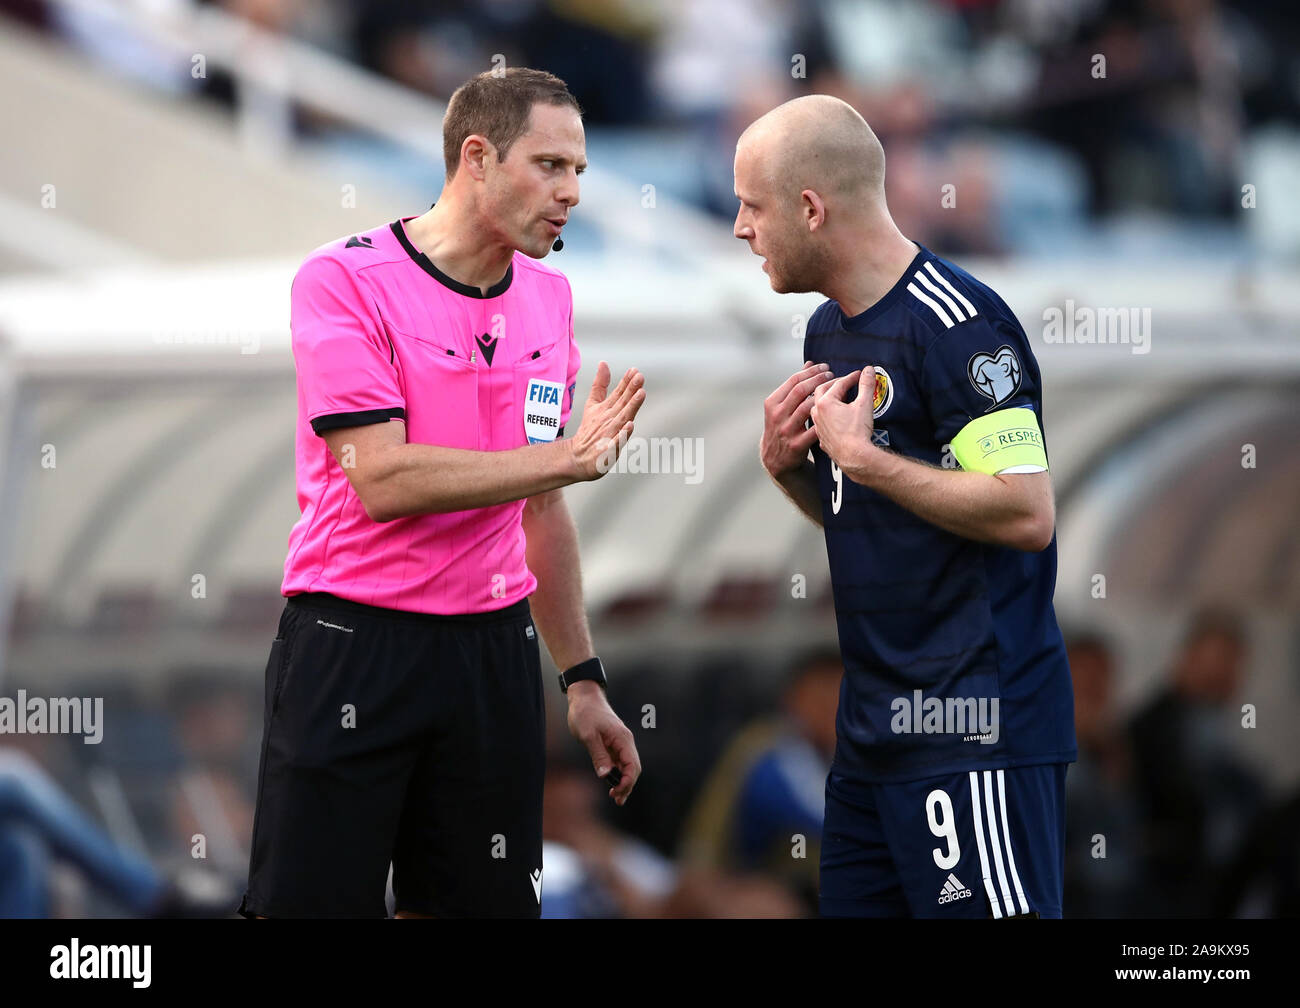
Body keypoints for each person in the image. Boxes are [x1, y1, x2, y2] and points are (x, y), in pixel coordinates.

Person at [240, 67, 645, 919]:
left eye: (579, 170)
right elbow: (382, 478)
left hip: (491, 658)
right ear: (476, 157)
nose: (571, 192)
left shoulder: (551, 298)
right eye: (549, 165)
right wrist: (562, 462)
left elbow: (540, 508)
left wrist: (582, 679)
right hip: (355, 643)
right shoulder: (343, 280)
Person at [735, 95, 1076, 918]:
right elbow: (879, 516)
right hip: (871, 741)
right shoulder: (828, 332)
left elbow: (1025, 511)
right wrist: (793, 472)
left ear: (810, 208)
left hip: (974, 729)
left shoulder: (963, 328)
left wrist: (867, 459)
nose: (741, 227)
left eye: (752, 205)